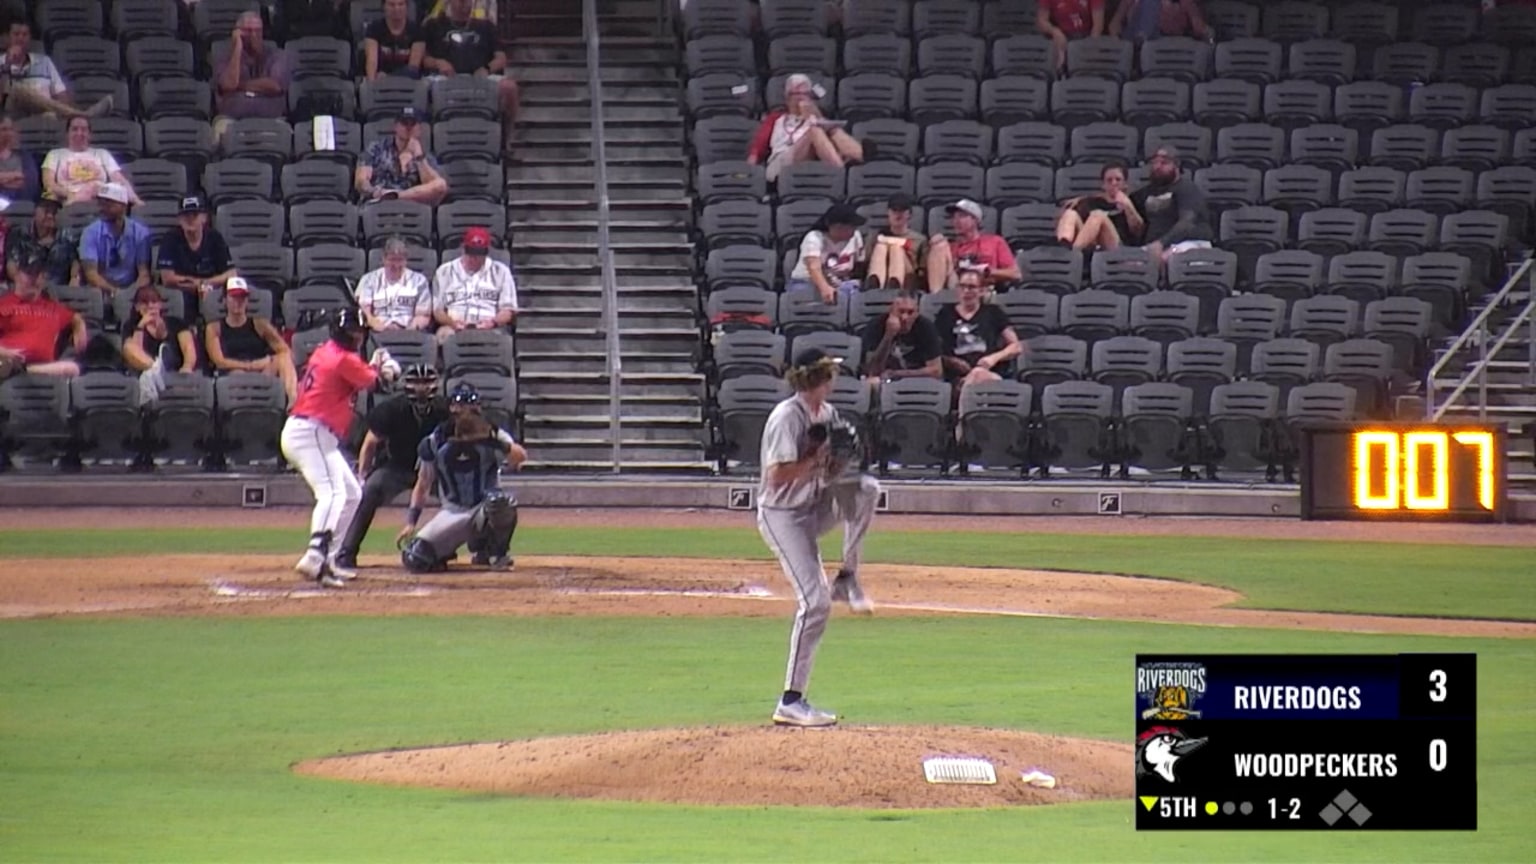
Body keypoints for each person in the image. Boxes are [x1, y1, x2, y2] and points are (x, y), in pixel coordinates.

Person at [756, 348, 880, 728]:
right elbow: (777, 477)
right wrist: (816, 458)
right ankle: (791, 701)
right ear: (818, 378)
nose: (833, 380)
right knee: (815, 605)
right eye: (829, 374)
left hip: (814, 505)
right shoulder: (786, 417)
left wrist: (840, 461)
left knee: (867, 489)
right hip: (783, 516)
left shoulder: (827, 414)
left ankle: (847, 577)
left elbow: (832, 474)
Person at [281, 308, 401, 588]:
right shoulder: (343, 359)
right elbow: (379, 385)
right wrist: (387, 369)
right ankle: (314, 555)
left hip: (315, 433)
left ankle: (329, 560)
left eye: (359, 332)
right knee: (331, 493)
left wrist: (375, 366)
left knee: (352, 493)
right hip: (310, 432)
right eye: (353, 333)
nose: (357, 337)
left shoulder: (326, 351)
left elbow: (357, 375)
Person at [397, 382, 528, 573]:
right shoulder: (435, 441)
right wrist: (411, 521)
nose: (466, 411)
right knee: (416, 558)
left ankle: (495, 553)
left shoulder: (493, 433)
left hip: (482, 508)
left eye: (471, 406)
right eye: (461, 406)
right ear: (452, 408)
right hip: (452, 511)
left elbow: (520, 458)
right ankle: (444, 552)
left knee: (500, 502)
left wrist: (494, 443)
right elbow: (423, 482)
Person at [332, 363, 448, 571]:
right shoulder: (391, 409)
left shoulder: (445, 410)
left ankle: (464, 549)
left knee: (463, 497)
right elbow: (370, 443)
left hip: (434, 469)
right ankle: (346, 551)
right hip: (397, 467)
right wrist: (363, 476)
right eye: (417, 383)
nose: (421, 389)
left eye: (425, 383)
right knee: (368, 492)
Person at [423, 0, 520, 157]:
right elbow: (423, 59)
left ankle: (505, 139)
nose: (464, 5)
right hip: (445, 78)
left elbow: (501, 58)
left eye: (467, 1)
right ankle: (428, 143)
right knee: (421, 89)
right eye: (460, 1)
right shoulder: (434, 25)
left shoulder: (486, 26)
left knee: (510, 87)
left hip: (479, 78)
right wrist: (438, 63)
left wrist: (487, 68)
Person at [746, 74, 863, 184]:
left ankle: (861, 157)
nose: (801, 98)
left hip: (808, 163)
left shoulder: (815, 117)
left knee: (832, 130)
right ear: (787, 97)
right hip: (780, 163)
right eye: (796, 94)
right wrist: (749, 172)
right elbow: (757, 148)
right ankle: (840, 173)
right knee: (814, 129)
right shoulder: (775, 119)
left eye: (805, 94)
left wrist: (814, 115)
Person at [204, 278, 299, 402]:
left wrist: (270, 360)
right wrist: (250, 366)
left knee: (284, 359)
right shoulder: (214, 328)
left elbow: (285, 350)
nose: (238, 302)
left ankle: (292, 401)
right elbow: (219, 361)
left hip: (263, 371)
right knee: (239, 374)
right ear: (225, 300)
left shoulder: (260, 324)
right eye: (234, 297)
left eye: (242, 298)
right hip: (233, 372)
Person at [0, 247, 86, 380]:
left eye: (40, 275)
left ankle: (22, 371)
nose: (35, 280)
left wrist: (79, 324)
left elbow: (74, 317)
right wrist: (4, 352)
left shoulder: (53, 308)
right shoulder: (4, 304)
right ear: (17, 275)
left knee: (72, 368)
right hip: (6, 362)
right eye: (30, 274)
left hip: (41, 368)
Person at [0, 19, 113, 119]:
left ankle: (77, 116)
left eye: (25, 35)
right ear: (7, 38)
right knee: (18, 89)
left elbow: (62, 95)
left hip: (44, 117)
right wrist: (7, 64)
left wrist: (63, 108)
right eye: (16, 34)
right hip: (12, 117)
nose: (21, 38)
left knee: (50, 116)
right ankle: (83, 115)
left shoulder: (44, 62)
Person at [935, 269, 1024, 391]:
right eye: (962, 286)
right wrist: (951, 361)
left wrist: (993, 358)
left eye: (971, 287)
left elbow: (1016, 347)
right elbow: (934, 349)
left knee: (978, 374)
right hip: (957, 377)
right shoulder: (945, 313)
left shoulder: (993, 312)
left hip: (989, 373)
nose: (966, 291)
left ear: (982, 290)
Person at [1129, 145, 1214, 268]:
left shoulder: (1187, 188)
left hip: (1190, 244)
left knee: (1163, 260)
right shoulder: (1146, 192)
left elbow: (1186, 223)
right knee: (1129, 264)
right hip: (1156, 246)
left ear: (1177, 165)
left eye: (1164, 163)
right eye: (1154, 163)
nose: (1157, 166)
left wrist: (1161, 243)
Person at [78, 183, 154, 312]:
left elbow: (144, 274)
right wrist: (114, 292)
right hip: (100, 290)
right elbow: (91, 274)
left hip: (132, 290)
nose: (103, 208)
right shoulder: (90, 232)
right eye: (101, 203)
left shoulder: (140, 233)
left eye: (109, 204)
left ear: (123, 206)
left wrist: (130, 294)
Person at [213, 11, 291, 136]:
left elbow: (275, 86)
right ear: (237, 33)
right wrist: (237, 49)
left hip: (272, 120)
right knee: (220, 131)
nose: (254, 35)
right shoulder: (224, 56)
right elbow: (228, 84)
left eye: (258, 31)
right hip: (231, 119)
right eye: (248, 31)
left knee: (282, 135)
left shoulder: (277, 55)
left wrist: (240, 86)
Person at [156, 195, 237, 314]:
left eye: (194, 215)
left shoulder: (215, 237)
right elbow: (167, 278)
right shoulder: (170, 238)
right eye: (185, 215)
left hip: (211, 289)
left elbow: (231, 274)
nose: (190, 219)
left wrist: (205, 284)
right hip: (181, 292)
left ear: (204, 218)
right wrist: (198, 285)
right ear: (179, 219)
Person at [432, 227, 517, 338]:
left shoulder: (501, 271)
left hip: (491, 327)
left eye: (479, 253)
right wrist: (451, 323)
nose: (474, 258)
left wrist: (493, 322)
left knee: (499, 338)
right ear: (463, 248)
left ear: (486, 252)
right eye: (471, 252)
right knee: (443, 335)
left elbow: (508, 310)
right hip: (453, 326)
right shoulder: (444, 271)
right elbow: (438, 311)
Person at [354, 107, 447, 206]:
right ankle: (390, 196)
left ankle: (395, 196)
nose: (408, 127)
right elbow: (360, 181)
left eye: (412, 124)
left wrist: (419, 157)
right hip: (378, 202)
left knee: (441, 184)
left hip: (410, 205)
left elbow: (436, 187)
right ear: (395, 126)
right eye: (404, 123)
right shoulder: (375, 149)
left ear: (419, 129)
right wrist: (374, 192)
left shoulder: (426, 157)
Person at [924, 199, 1021, 293]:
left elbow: (1015, 274)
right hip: (957, 287)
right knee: (939, 245)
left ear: (975, 220)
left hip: (985, 287)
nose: (956, 221)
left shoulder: (995, 241)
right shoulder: (949, 247)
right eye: (954, 217)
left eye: (962, 216)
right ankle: (935, 298)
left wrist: (988, 271)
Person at [41, 116, 141, 206]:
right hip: (67, 200)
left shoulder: (102, 154)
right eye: (74, 129)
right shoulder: (54, 154)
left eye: (84, 130)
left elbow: (119, 179)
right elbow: (49, 184)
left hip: (100, 199)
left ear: (90, 134)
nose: (79, 133)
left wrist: (136, 200)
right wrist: (70, 195)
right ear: (67, 133)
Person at [786, 202, 865, 303]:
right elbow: (813, 266)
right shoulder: (814, 237)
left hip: (839, 282)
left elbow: (859, 263)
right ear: (834, 227)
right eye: (848, 228)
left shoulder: (856, 237)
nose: (852, 231)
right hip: (807, 281)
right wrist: (824, 288)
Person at [1055, 162, 1143, 251]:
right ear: (1103, 185)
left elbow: (1138, 231)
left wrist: (1128, 206)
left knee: (1098, 215)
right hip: (1092, 244)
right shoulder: (1092, 202)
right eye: (1109, 180)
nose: (1114, 183)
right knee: (1070, 214)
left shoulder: (1134, 201)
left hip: (1118, 247)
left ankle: (1073, 253)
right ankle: (1064, 249)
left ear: (1125, 183)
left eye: (1118, 179)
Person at [862, 291, 943, 385]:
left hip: (916, 379)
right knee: (872, 382)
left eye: (910, 312)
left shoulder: (926, 327)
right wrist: (888, 336)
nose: (904, 317)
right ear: (891, 310)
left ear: (917, 313)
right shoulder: (876, 325)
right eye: (901, 311)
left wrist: (897, 374)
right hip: (884, 381)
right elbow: (872, 371)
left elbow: (936, 371)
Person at [356, 236, 434, 331]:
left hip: (408, 331)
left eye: (400, 260)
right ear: (384, 259)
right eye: (392, 259)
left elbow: (423, 315)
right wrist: (375, 324)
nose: (396, 265)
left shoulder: (419, 281)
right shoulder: (369, 280)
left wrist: (411, 329)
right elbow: (365, 313)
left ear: (406, 260)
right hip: (377, 331)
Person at [4, 193, 77, 286]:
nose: (50, 216)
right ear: (35, 211)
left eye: (54, 212)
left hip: (59, 289)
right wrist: (24, 284)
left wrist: (74, 278)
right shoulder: (18, 233)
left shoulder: (67, 235)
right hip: (25, 287)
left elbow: (75, 261)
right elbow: (11, 265)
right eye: (46, 211)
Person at [863, 193, 925, 293]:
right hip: (880, 267)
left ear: (909, 214)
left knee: (896, 249)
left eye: (902, 211)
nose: (898, 214)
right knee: (880, 247)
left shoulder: (919, 239)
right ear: (888, 213)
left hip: (908, 277)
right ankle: (875, 285)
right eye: (894, 210)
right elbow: (866, 260)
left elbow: (922, 268)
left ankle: (895, 285)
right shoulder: (875, 237)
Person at [1037, 0, 1107, 71]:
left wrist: (1090, 47)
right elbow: (1042, 21)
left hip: (1086, 36)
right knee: (1054, 53)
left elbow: (1098, 27)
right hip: (1061, 35)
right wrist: (1055, 32)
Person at [364, 0, 426, 79]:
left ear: (406, 7)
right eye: (391, 5)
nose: (396, 8)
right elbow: (372, 62)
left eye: (401, 4)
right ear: (384, 7)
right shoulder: (374, 28)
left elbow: (413, 67)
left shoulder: (417, 30)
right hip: (378, 80)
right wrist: (372, 83)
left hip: (406, 81)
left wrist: (387, 78)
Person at [1109, 0, 1210, 40]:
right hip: (1134, 40)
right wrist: (1116, 38)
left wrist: (1206, 31)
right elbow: (1114, 24)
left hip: (1167, 40)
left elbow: (1198, 25)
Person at [0, 113, 42, 201]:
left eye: (11, 129)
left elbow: (30, 181)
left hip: (21, 203)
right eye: (3, 129)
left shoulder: (24, 157)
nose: (9, 133)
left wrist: (3, 178)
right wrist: (14, 176)